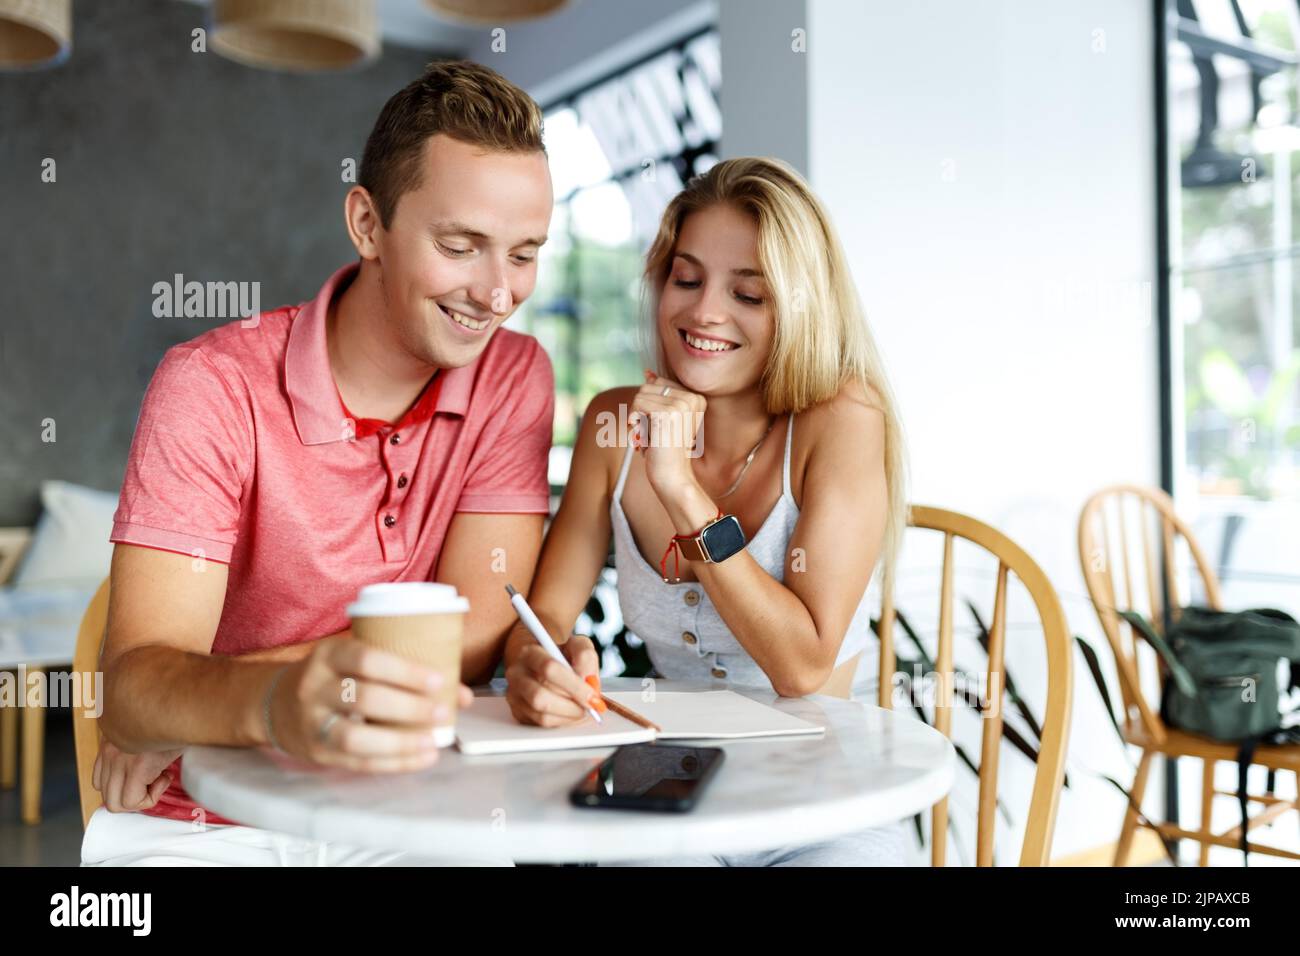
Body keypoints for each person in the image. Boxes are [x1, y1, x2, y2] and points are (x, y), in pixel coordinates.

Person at [84, 59, 555, 866]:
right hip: (203, 811)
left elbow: (476, 633)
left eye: (524, 253)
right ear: (368, 224)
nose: (497, 293)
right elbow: (131, 692)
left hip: (412, 799)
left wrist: (199, 696)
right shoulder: (212, 385)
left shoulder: (514, 377)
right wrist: (259, 706)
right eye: (461, 245)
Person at [502, 156, 910, 866]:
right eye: (686, 279)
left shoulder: (841, 419)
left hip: (823, 799)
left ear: (801, 306)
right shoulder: (611, 423)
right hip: (666, 787)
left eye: (748, 294)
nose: (703, 311)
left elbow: (803, 667)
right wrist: (539, 666)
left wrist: (683, 492)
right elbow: (544, 619)